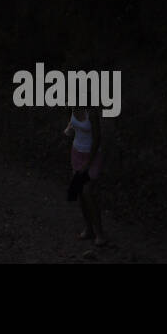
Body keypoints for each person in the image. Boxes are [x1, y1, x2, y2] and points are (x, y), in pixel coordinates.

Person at [64, 105, 106, 246]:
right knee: (80, 194)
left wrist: (88, 163)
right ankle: (88, 229)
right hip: (77, 154)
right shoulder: (71, 108)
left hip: (92, 156)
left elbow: (97, 137)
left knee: (87, 192)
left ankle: (99, 233)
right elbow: (72, 126)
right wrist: (68, 130)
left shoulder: (91, 112)